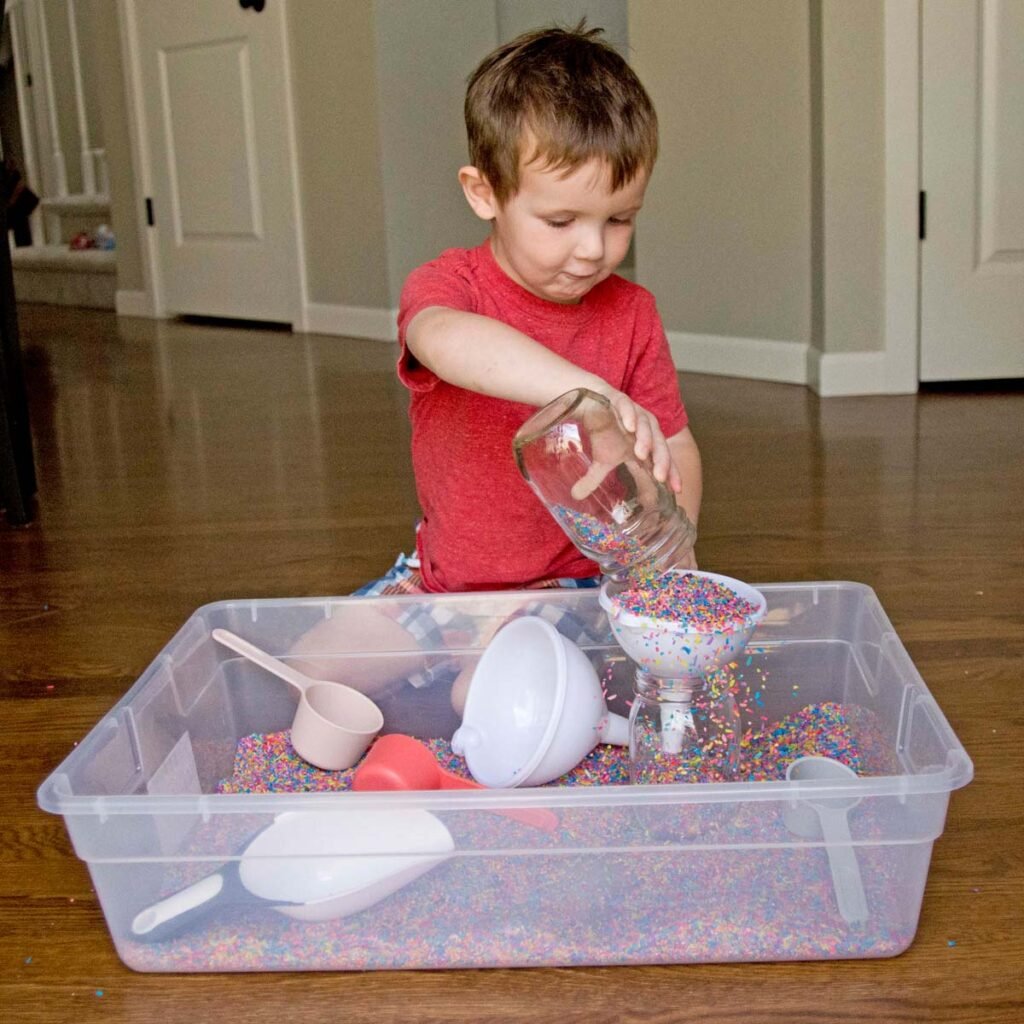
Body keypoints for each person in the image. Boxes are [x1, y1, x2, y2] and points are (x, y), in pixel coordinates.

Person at [291, 23, 701, 718]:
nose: (594, 249)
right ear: (484, 193)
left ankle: (482, 681)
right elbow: (446, 341)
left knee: (480, 698)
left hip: (562, 594)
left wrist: (671, 555)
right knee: (306, 671)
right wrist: (590, 393)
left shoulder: (633, 313)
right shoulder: (451, 287)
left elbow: (677, 445)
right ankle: (458, 668)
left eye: (620, 219)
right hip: (442, 583)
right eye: (561, 219)